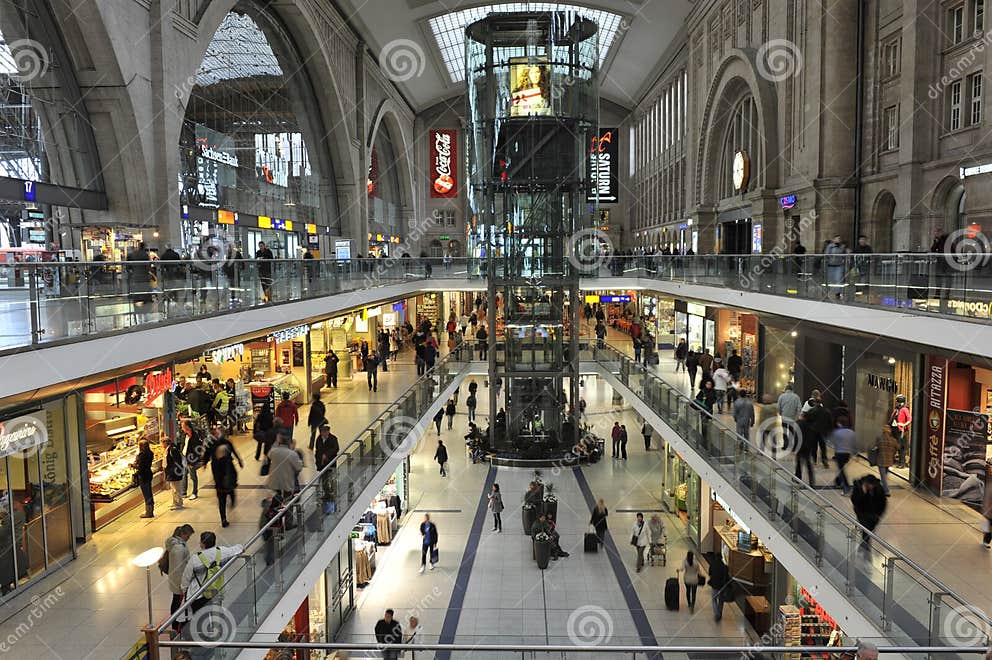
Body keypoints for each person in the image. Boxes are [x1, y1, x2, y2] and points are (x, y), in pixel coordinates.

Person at [180, 531, 244, 620]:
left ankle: (204, 632)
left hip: (199, 594)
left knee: (200, 619)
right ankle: (217, 630)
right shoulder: (221, 551)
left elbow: (186, 578)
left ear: (202, 544)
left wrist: (184, 590)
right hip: (217, 590)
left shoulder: (195, 559)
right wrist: (240, 548)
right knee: (217, 614)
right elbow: (237, 549)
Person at [164, 524, 195, 630]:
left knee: (176, 601)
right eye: (188, 536)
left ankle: (176, 623)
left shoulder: (176, 544)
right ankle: (176, 625)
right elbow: (178, 569)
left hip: (176, 580)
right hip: (179, 581)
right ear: (183, 534)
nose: (188, 539)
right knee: (177, 602)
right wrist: (183, 584)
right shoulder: (179, 548)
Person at [851, 473, 887, 554]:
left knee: (869, 529)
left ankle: (864, 544)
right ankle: (866, 546)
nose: (871, 487)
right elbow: (855, 501)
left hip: (874, 513)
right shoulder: (858, 487)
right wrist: (863, 493)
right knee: (866, 528)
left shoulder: (878, 488)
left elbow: (883, 502)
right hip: (862, 512)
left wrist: (879, 514)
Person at [266, 434, 303, 500]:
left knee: (276, 497)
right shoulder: (292, 454)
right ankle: (286, 508)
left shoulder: (273, 451)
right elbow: (299, 467)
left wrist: (276, 444)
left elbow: (269, 455)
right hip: (287, 481)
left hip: (275, 480)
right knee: (287, 499)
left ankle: (276, 508)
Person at [210, 444, 238, 527]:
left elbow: (215, 475)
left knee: (221, 503)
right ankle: (232, 502)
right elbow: (234, 472)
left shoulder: (214, 462)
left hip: (219, 487)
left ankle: (223, 520)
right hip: (228, 485)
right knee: (232, 494)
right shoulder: (228, 461)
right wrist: (234, 481)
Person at [314, 424, 340, 504]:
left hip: (330, 463)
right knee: (324, 479)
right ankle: (327, 493)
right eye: (322, 432)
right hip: (322, 464)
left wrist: (327, 455)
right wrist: (318, 459)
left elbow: (336, 449)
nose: (324, 434)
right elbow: (317, 449)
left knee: (331, 478)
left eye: (325, 432)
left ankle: (333, 493)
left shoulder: (333, 439)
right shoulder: (319, 439)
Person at [830, 417, 856, 495]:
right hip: (847, 454)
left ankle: (846, 488)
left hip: (839, 453)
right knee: (842, 469)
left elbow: (832, 442)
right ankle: (839, 481)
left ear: (839, 424)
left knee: (841, 471)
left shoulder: (837, 432)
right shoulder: (851, 432)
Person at [178, 420, 203, 501]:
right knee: (184, 474)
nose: (182, 429)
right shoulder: (184, 435)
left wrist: (193, 461)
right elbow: (183, 445)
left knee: (193, 476)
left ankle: (194, 492)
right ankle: (183, 492)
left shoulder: (195, 437)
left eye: (183, 427)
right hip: (184, 457)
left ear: (187, 427)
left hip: (191, 459)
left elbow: (197, 450)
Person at [873, 425, 898, 495]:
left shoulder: (879, 438)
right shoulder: (893, 440)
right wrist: (893, 452)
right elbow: (897, 447)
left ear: (883, 431)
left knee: (883, 476)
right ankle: (881, 487)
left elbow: (876, 447)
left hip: (881, 460)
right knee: (885, 476)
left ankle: (886, 491)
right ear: (889, 431)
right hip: (889, 460)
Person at [133, 439, 155, 518]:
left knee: (146, 494)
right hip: (149, 474)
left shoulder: (142, 455)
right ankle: (151, 509)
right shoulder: (150, 453)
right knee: (149, 492)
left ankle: (148, 512)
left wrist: (133, 465)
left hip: (143, 476)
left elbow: (141, 467)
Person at [889, 394, 912, 467]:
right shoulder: (896, 409)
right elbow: (892, 418)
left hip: (900, 430)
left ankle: (901, 463)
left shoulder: (904, 409)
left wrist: (904, 424)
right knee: (894, 446)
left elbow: (909, 419)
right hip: (894, 429)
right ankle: (892, 460)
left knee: (901, 447)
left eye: (898, 401)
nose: (897, 403)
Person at [707, 553, 731, 621]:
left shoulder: (712, 565)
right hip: (722, 587)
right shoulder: (725, 567)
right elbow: (727, 578)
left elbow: (710, 574)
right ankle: (719, 613)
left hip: (714, 585)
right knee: (721, 600)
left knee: (714, 600)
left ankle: (716, 613)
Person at [795, 413, 817, 485]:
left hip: (800, 446)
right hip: (807, 447)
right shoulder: (810, 425)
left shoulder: (798, 424)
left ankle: (798, 478)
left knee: (798, 463)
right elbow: (813, 437)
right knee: (808, 464)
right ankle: (811, 480)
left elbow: (796, 436)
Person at [164, 437, 185, 510]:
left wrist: (173, 472)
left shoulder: (173, 450)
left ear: (165, 443)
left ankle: (178, 503)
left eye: (162, 443)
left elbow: (177, 461)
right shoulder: (170, 449)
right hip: (173, 472)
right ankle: (175, 502)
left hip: (175, 472)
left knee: (176, 488)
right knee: (173, 488)